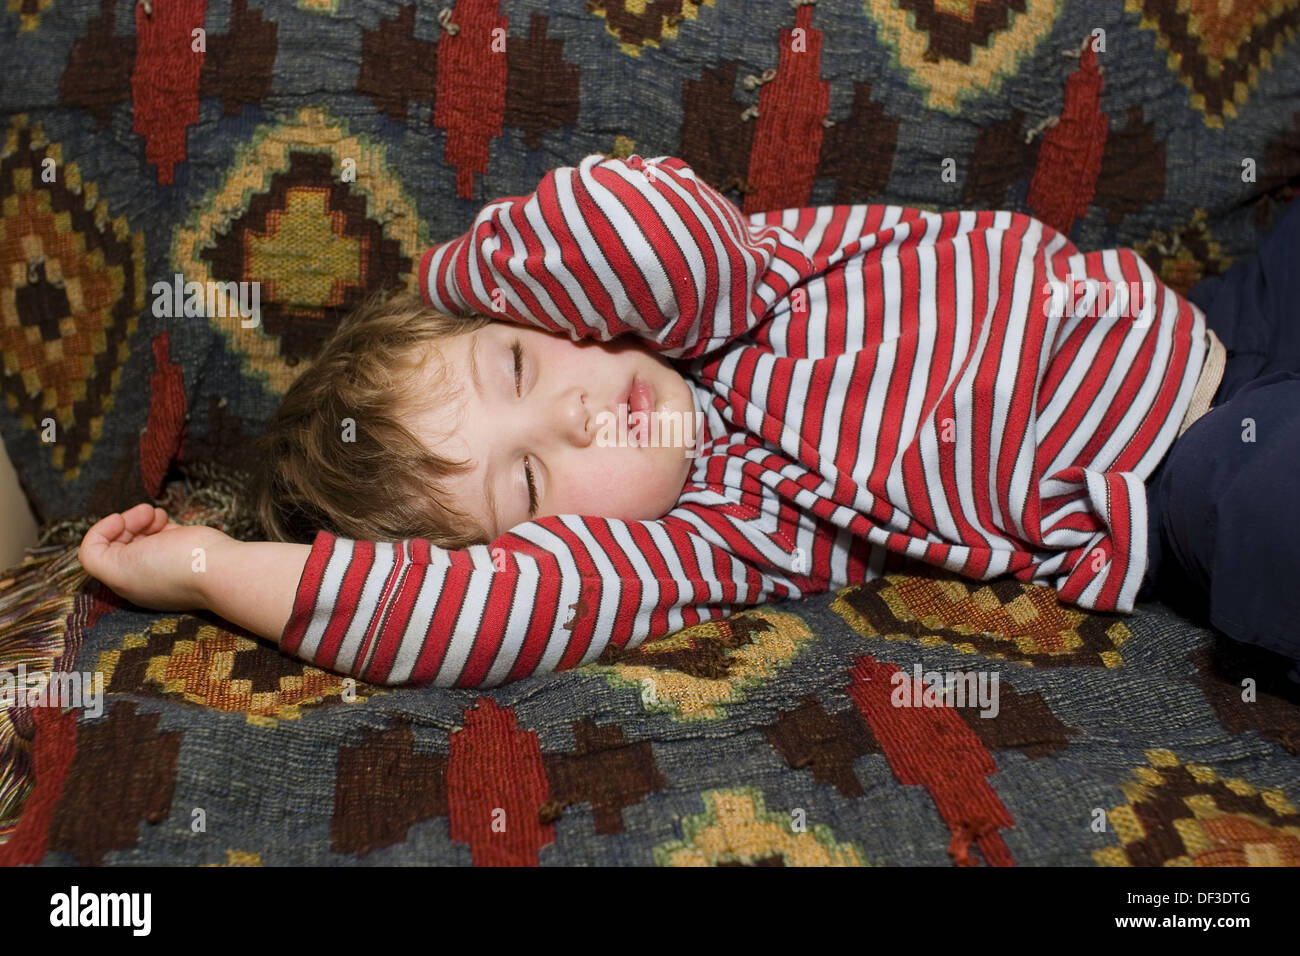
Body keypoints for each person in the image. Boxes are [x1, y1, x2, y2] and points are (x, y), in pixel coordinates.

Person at [80, 154, 1291, 688]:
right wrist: (205, 563)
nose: (573, 414)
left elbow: (637, 229)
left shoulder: (726, 285)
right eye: (528, 484)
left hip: (1212, 313)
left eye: (515, 363)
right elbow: (482, 612)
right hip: (1174, 467)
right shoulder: (713, 533)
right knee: (1259, 507)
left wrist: (445, 286)